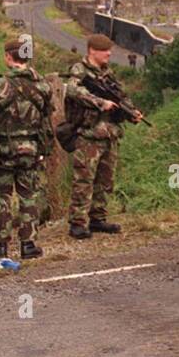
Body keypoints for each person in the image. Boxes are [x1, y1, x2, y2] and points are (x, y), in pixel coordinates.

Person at [0, 37, 54, 260]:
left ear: (8, 57)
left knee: (2, 197)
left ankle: (1, 247)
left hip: (3, 151)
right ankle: (28, 245)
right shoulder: (43, 85)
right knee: (29, 195)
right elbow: (48, 113)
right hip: (31, 149)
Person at [64, 34, 141, 239]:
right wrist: (99, 102)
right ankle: (78, 222)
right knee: (84, 180)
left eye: (109, 50)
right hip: (89, 134)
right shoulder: (79, 70)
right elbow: (73, 91)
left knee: (105, 180)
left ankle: (98, 218)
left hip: (109, 134)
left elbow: (121, 96)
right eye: (104, 50)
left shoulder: (108, 73)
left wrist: (132, 112)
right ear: (92, 51)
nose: (109, 53)